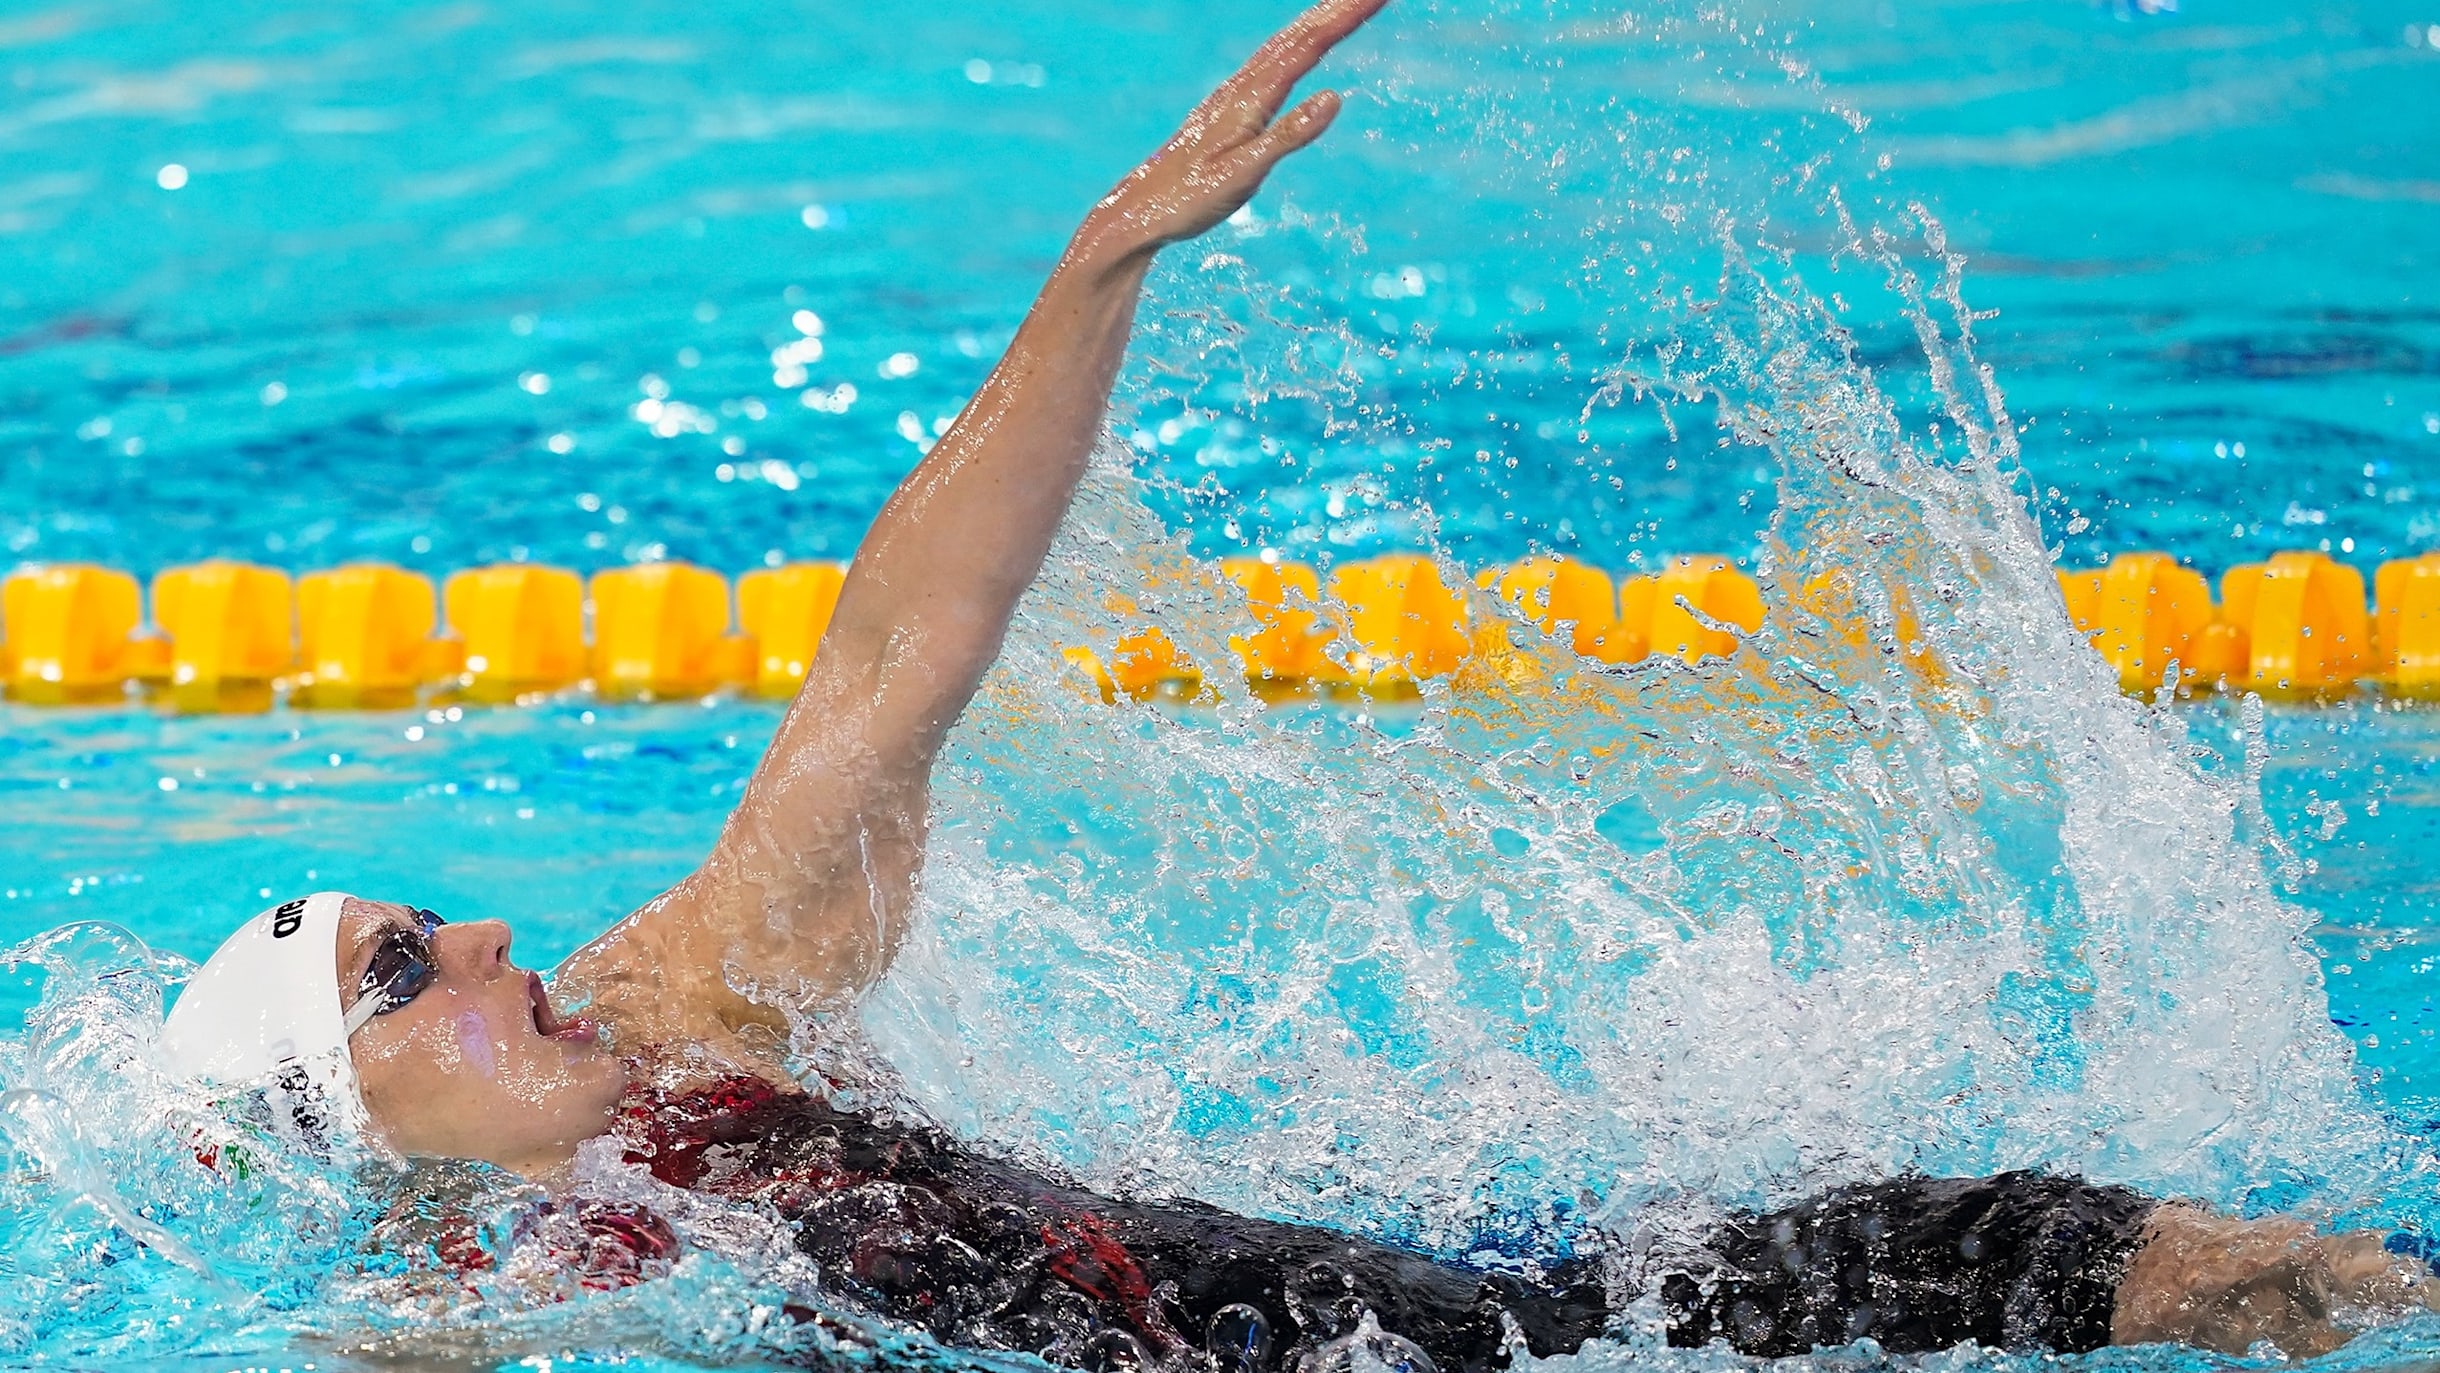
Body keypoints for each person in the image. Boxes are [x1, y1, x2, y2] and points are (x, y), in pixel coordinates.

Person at [153, 0, 2440, 1365]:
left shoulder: (688, 1022)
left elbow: (892, 660)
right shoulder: (467, 1310)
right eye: (398, 976)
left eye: (423, 917)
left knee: (1980, 1252)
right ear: (359, 1144)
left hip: (1417, 1328)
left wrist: (1087, 273)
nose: (482, 938)